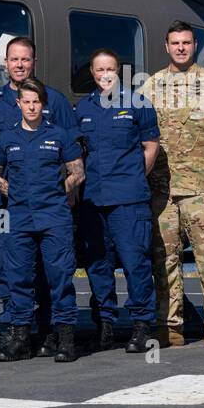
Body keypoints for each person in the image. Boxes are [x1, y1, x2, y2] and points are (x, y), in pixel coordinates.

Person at [140, 22, 204, 349]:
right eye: (175, 43)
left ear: (194, 45)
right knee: (164, 261)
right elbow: (138, 136)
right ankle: (170, 326)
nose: (181, 48)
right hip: (162, 193)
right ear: (166, 46)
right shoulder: (151, 87)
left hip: (202, 189)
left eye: (186, 42)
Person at [0, 36, 79, 355]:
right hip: (7, 208)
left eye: (25, 59)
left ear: (33, 62)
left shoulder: (56, 101)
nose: (20, 65)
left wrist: (64, 193)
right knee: (9, 268)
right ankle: (15, 329)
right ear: (6, 63)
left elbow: (74, 153)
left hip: (49, 207)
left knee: (55, 270)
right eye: (14, 59)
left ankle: (54, 332)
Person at [75, 49, 161, 353]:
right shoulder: (82, 108)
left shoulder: (137, 104)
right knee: (98, 264)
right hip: (93, 200)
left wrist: (134, 178)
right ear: (92, 72)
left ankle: (142, 325)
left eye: (110, 68)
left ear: (118, 70)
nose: (105, 74)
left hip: (128, 199)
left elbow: (150, 148)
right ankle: (106, 324)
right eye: (99, 70)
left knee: (135, 262)